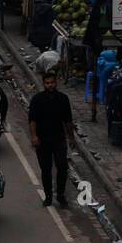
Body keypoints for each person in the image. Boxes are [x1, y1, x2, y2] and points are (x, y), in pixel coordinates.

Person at [28, 71, 75, 207]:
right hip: (42, 140)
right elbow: (32, 120)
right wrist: (34, 136)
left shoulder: (63, 99)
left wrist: (71, 138)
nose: (50, 85)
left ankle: (60, 195)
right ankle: (48, 195)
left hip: (58, 139)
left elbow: (68, 121)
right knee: (46, 169)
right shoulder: (37, 99)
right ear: (44, 84)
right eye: (47, 83)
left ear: (56, 82)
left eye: (52, 83)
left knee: (62, 166)